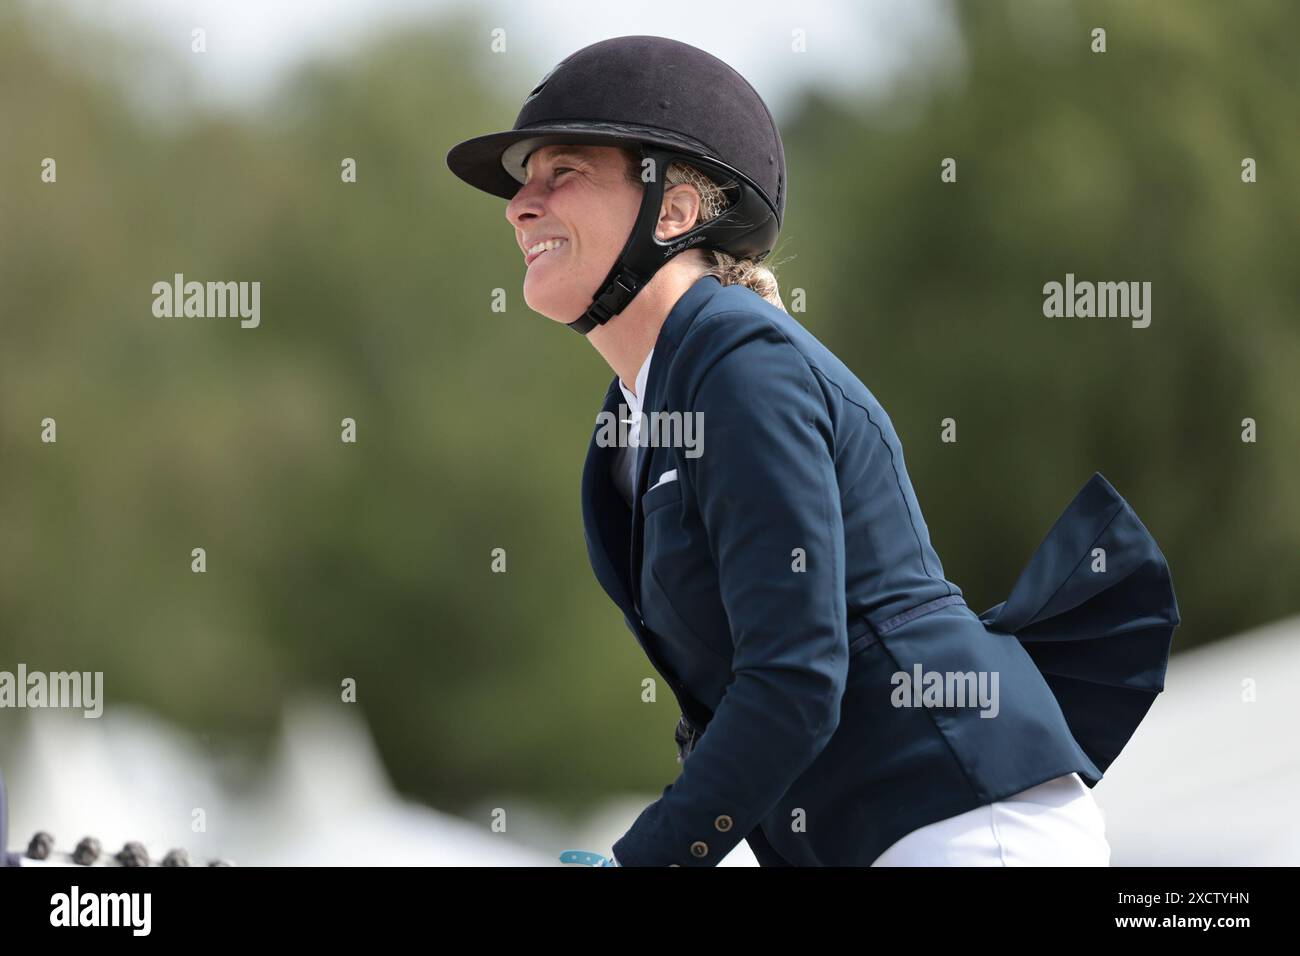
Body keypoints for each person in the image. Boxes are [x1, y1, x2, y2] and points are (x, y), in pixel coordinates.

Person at [446, 35, 1180, 867]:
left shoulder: (739, 361)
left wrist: (638, 860)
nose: (519, 206)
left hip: (958, 826)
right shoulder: (638, 413)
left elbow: (793, 680)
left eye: (561, 174)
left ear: (677, 210)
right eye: (521, 185)